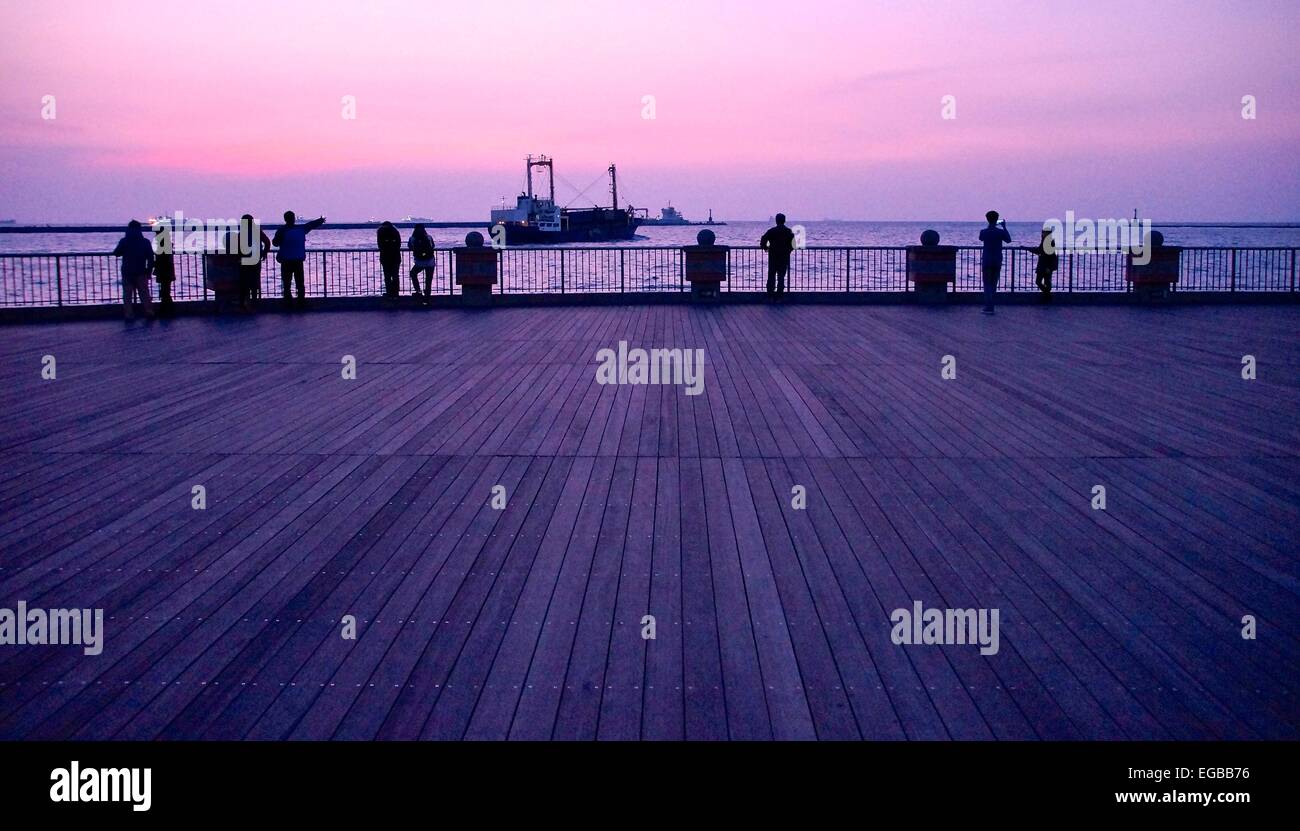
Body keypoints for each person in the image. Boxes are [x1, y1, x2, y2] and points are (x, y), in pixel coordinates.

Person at [271, 210, 325, 308]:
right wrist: (320, 220)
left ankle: (288, 303)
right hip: (298, 260)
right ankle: (301, 302)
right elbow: (311, 225)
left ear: (285, 219)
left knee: (286, 283)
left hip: (286, 260)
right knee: (300, 283)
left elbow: (275, 243)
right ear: (294, 218)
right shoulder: (301, 229)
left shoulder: (282, 230)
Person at [113, 220, 155, 320]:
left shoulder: (124, 241)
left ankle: (129, 315)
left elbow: (116, 253)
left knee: (127, 296)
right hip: (141, 271)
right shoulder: (145, 242)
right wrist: (149, 272)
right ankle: (149, 312)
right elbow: (150, 258)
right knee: (144, 295)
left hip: (127, 272)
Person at [229, 215, 271, 311]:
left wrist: (237, 257)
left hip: (244, 261)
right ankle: (254, 303)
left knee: (244, 282)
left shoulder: (241, 233)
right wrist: (264, 253)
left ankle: (243, 303)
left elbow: (236, 247)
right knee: (255, 281)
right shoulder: (257, 231)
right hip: (255, 260)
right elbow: (267, 242)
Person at [978, 210, 1011, 314]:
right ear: (997, 219)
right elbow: (1009, 240)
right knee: (993, 283)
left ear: (987, 219)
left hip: (987, 260)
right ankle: (991, 305)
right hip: (997, 260)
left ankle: (988, 306)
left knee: (987, 284)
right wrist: (1004, 227)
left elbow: (981, 238)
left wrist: (989, 226)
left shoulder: (984, 232)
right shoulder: (1000, 232)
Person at [760, 213, 795, 297]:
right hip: (784, 257)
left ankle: (770, 296)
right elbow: (794, 244)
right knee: (781, 277)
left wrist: (766, 248)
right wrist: (788, 250)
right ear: (784, 221)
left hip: (773, 256)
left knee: (771, 275)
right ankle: (779, 296)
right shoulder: (788, 231)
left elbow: (763, 239)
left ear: (776, 221)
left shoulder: (772, 231)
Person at [1027, 226, 1059, 302]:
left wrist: (1048, 267)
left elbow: (1048, 255)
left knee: (1040, 281)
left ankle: (1047, 296)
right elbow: (1041, 251)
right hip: (1044, 265)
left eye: (1044, 232)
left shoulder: (1048, 242)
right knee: (1046, 281)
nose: (1042, 234)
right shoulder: (1046, 241)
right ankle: (1047, 296)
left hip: (1045, 265)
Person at [408, 224, 436, 303]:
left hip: (419, 262)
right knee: (428, 280)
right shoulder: (429, 237)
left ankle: (418, 291)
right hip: (430, 261)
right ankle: (427, 297)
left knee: (413, 273)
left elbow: (410, 247)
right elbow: (433, 246)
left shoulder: (412, 238)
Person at [152, 223, 175, 317]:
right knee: (166, 290)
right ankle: (167, 309)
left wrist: (153, 264)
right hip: (167, 271)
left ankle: (166, 309)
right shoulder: (167, 245)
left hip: (164, 271)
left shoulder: (162, 246)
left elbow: (161, 260)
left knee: (165, 291)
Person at [377, 221, 402, 298]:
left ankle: (389, 292)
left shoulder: (381, 232)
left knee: (387, 276)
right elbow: (399, 244)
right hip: (396, 256)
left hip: (385, 257)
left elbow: (380, 245)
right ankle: (396, 293)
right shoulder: (395, 231)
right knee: (395, 275)